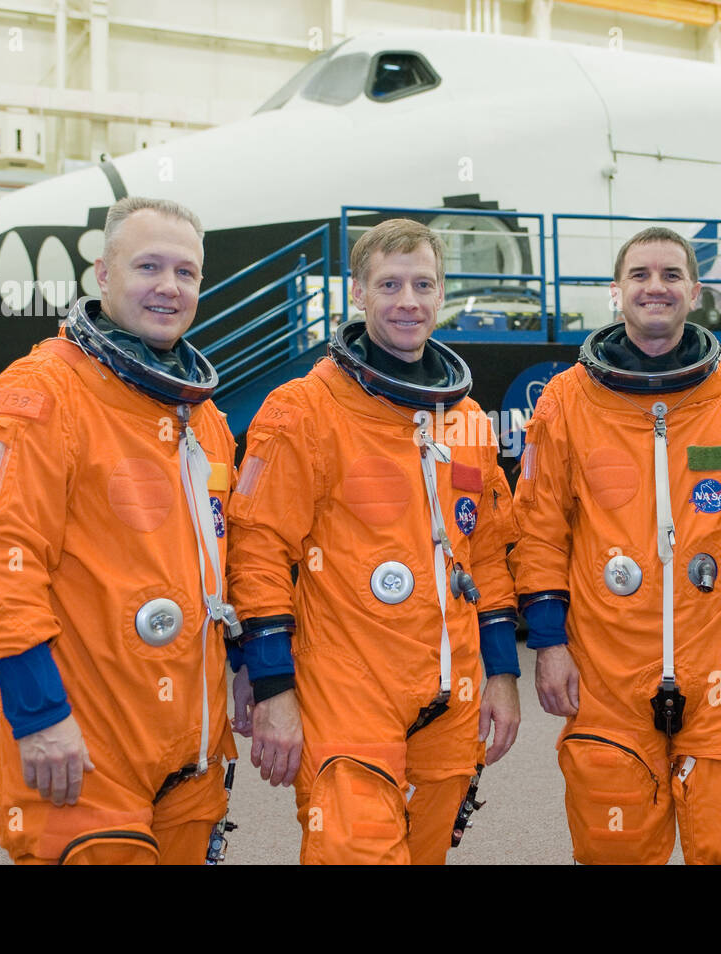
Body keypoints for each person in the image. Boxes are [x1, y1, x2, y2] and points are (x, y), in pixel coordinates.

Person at [0, 196, 241, 864]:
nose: (169, 287)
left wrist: (252, 672)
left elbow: (227, 561)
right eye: (148, 266)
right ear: (102, 274)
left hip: (187, 754)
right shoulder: (42, 397)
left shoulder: (204, 420)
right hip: (81, 743)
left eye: (186, 273)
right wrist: (40, 713)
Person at [511, 227, 721, 864]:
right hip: (604, 676)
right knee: (613, 849)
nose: (657, 287)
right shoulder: (566, 401)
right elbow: (539, 531)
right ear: (617, 291)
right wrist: (549, 646)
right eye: (642, 275)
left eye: (672, 275)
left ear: (695, 291)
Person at [224, 218, 521, 865]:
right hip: (345, 688)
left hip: (450, 691)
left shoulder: (468, 422)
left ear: (443, 294)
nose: (408, 300)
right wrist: (272, 688)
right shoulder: (302, 411)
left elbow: (489, 556)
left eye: (423, 284)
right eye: (389, 284)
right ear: (357, 292)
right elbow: (258, 552)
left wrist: (502, 673)